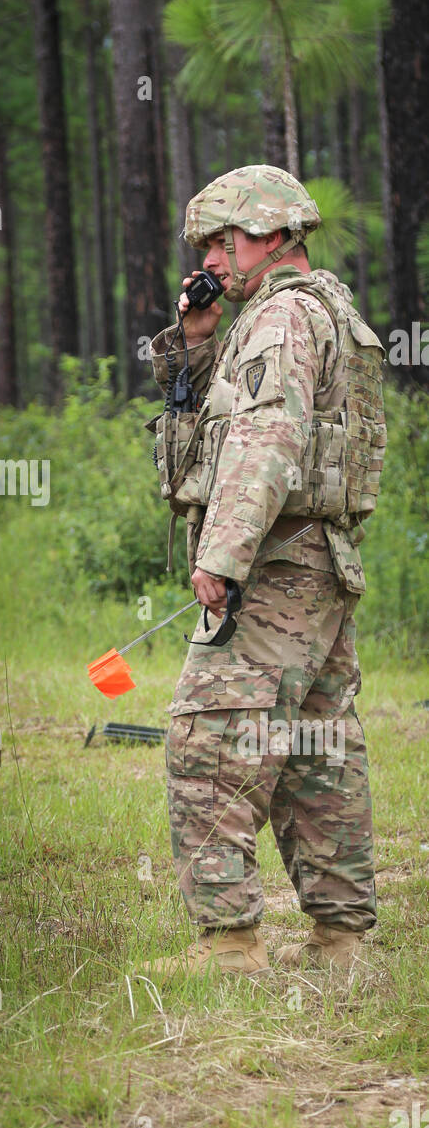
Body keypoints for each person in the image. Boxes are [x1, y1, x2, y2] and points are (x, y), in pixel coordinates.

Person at [142, 164, 386, 979]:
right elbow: (211, 415)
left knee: (210, 739)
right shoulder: (321, 312)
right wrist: (201, 337)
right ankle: (342, 943)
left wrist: (221, 555)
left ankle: (231, 946)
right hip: (321, 564)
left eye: (223, 239)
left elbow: (266, 441)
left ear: (273, 235)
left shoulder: (281, 318)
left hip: (276, 564)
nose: (212, 256)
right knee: (318, 747)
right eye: (205, 243)